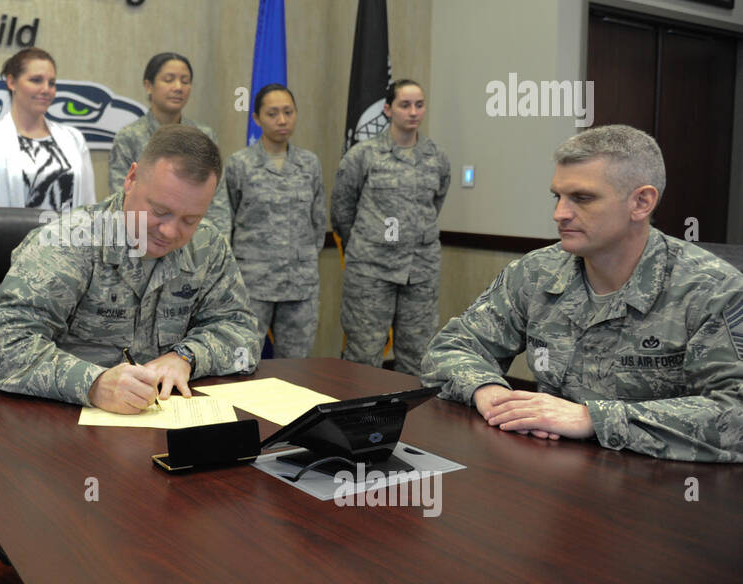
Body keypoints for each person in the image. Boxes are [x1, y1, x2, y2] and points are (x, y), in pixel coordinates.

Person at [421, 124, 743, 462]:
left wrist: (592, 418)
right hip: (555, 474)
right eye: (557, 196)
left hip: (663, 489)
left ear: (641, 202)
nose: (559, 213)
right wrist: (490, 393)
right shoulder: (536, 272)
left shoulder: (711, 289)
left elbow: (735, 412)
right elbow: (450, 347)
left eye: (582, 198)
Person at [0, 124, 261, 413]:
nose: (169, 231)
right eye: (159, 211)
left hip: (165, 420)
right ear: (131, 179)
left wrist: (186, 357)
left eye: (189, 220)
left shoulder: (208, 246)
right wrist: (94, 383)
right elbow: (6, 347)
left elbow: (242, 334)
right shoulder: (68, 243)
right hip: (66, 422)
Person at [331, 78, 449, 374]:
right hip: (371, 270)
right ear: (387, 109)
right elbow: (343, 209)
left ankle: (412, 419)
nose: (413, 112)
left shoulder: (437, 158)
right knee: (363, 353)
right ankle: (360, 419)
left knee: (418, 354)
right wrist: (367, 242)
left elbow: (435, 205)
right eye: (405, 105)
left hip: (419, 271)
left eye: (419, 105)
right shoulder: (363, 155)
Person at [225, 84, 326, 357]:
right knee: (242, 360)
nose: (282, 120)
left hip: (300, 284)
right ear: (256, 118)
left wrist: (300, 258)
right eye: (272, 114)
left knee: (296, 367)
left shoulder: (310, 163)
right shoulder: (239, 164)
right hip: (252, 284)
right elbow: (226, 221)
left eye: (288, 112)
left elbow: (318, 222)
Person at [107, 52, 232, 237]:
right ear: (149, 85)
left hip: (196, 245)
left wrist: (212, 248)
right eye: (169, 79)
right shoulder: (129, 137)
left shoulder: (205, 136)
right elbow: (122, 200)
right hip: (145, 240)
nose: (178, 87)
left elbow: (217, 203)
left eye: (185, 81)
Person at [0, 47, 95, 210]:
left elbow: (90, 209)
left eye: (52, 83)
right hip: (10, 236)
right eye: (36, 80)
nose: (46, 89)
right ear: (12, 82)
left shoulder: (74, 139)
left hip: (71, 235)